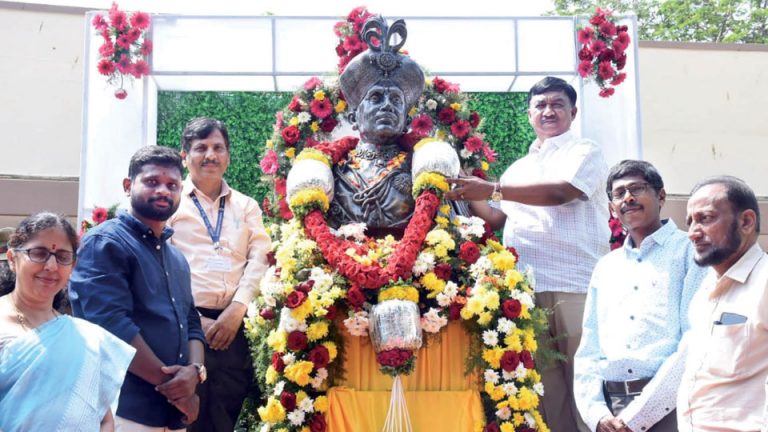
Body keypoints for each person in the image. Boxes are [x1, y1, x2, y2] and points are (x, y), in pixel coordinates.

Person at [446, 76, 610, 431]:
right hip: (528, 292)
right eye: (541, 105)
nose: (548, 111)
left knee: (587, 388)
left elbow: (561, 193)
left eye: (557, 104)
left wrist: (490, 187)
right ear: (529, 113)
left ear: (573, 111)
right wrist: (461, 182)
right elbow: (493, 217)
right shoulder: (519, 168)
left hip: (576, 286)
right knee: (547, 392)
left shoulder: (584, 151)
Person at [70, 146, 205, 431]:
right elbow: (111, 326)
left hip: (173, 412)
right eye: (152, 182)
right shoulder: (104, 243)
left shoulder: (176, 258)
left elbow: (192, 322)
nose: (164, 191)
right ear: (128, 186)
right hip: (125, 410)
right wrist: (177, 390)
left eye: (172, 185)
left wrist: (194, 373)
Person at [573, 160, 707, 432]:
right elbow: (589, 348)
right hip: (612, 413)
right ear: (612, 207)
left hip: (672, 408)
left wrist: (638, 416)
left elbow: (694, 340)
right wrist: (597, 414)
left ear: (661, 196)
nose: (628, 198)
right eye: (619, 194)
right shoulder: (606, 267)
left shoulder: (689, 253)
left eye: (637, 188)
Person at [168, 117, 270, 431]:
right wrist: (195, 320)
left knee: (226, 417)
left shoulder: (246, 206)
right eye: (201, 148)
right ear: (185, 156)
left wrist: (237, 310)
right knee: (184, 417)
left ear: (227, 156)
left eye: (218, 148)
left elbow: (260, 258)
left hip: (233, 328)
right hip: (183, 327)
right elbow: (161, 267)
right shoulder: (170, 204)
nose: (210, 155)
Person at [0, 212, 135, 431]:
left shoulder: (87, 338)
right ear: (13, 259)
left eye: (62, 256)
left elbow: (104, 419)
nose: (51, 266)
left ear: (72, 267)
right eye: (39, 253)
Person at [677, 176, 768, 431]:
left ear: (746, 221)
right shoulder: (704, 290)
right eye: (690, 222)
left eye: (705, 218)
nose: (693, 232)